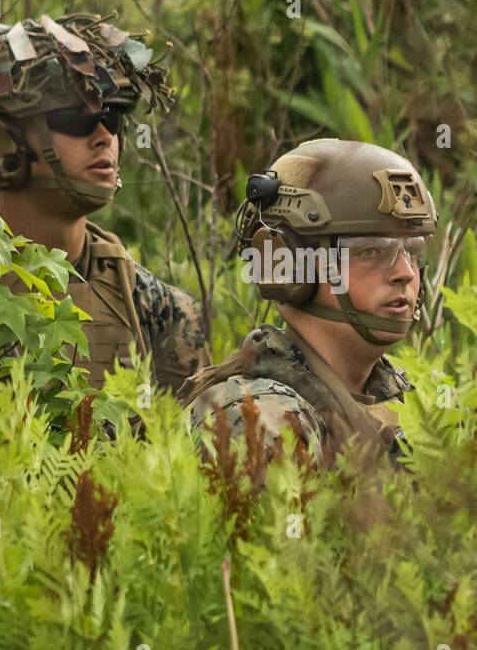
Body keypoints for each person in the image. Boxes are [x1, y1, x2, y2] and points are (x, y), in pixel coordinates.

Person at [0, 12, 209, 398]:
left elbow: (196, 452)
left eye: (112, 116)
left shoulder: (159, 310)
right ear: (0, 139)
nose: (105, 136)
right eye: (76, 117)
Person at [184, 138, 437, 468]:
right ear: (286, 265)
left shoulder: (419, 405)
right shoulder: (255, 417)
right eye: (371, 251)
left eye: (412, 252)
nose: (405, 274)